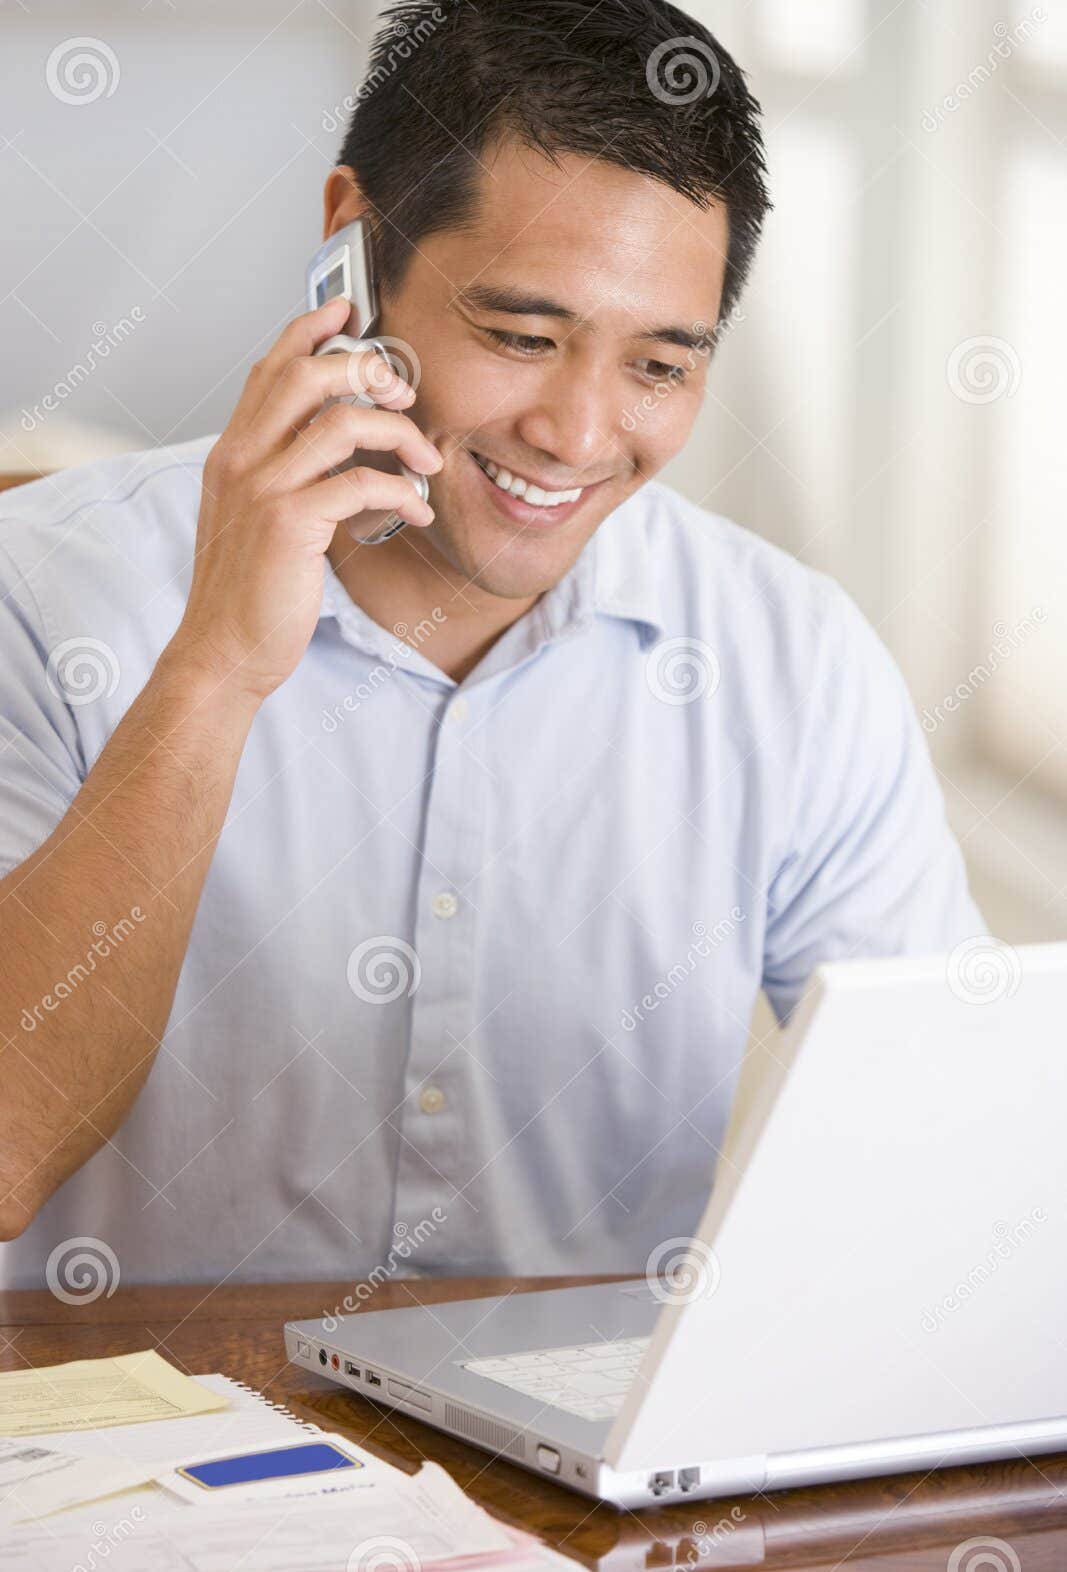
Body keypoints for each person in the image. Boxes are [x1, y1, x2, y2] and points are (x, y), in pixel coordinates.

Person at [0, 0, 980, 1289]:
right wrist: (217, 669)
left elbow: (957, 1154)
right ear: (353, 252)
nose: (577, 435)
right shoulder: (43, 595)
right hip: (130, 1442)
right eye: (521, 336)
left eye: (659, 367)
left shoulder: (789, 658)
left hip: (573, 1480)